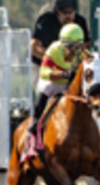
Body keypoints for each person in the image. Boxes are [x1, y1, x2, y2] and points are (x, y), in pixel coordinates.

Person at [22, 23, 87, 163]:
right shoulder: (54, 49)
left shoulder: (82, 54)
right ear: (62, 43)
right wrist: (63, 75)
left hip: (69, 84)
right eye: (70, 46)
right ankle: (34, 126)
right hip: (53, 81)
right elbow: (44, 72)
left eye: (77, 47)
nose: (73, 51)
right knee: (44, 93)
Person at [31, 0, 91, 69]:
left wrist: (75, 57)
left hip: (71, 65)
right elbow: (34, 47)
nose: (68, 16)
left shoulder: (80, 22)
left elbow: (87, 45)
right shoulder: (46, 22)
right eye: (64, 12)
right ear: (57, 11)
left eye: (71, 12)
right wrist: (54, 59)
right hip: (43, 64)